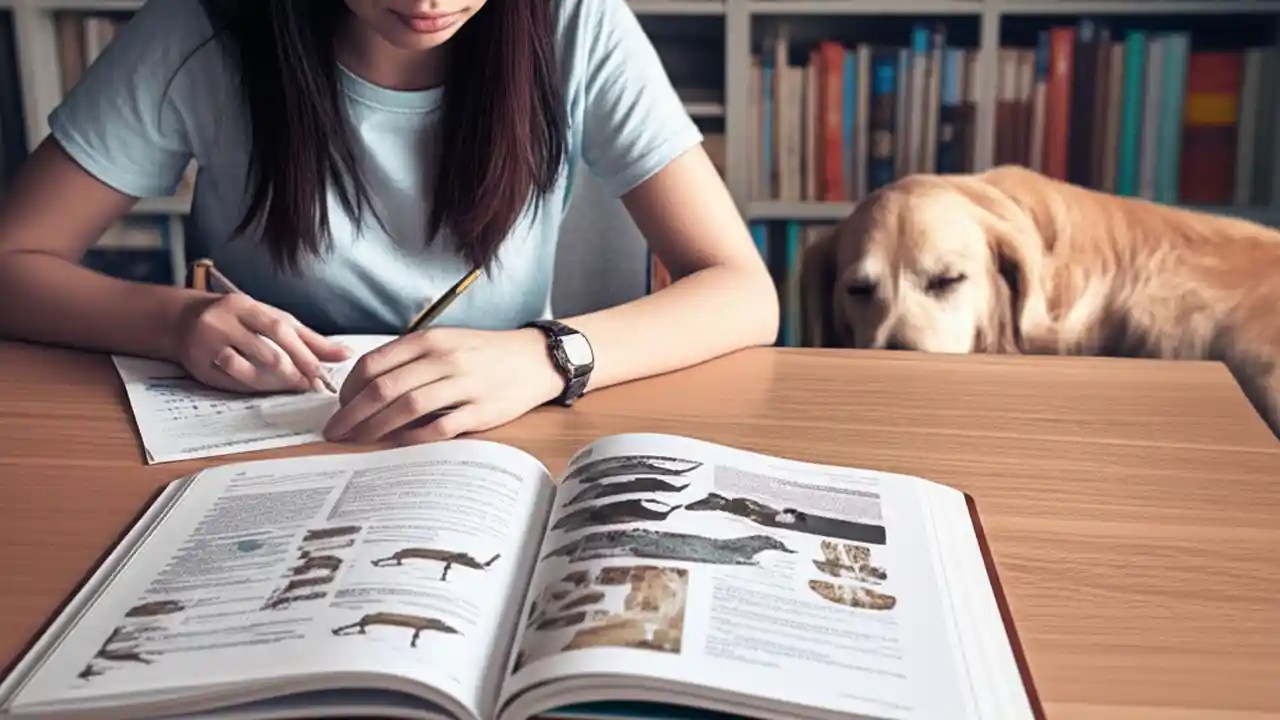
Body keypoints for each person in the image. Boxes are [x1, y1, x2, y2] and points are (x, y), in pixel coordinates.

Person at [0, 0, 779, 444]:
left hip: (505, 433)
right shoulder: (202, 27)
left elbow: (744, 292)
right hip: (264, 443)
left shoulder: (574, 21)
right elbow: (14, 259)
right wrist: (176, 321)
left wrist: (547, 358)